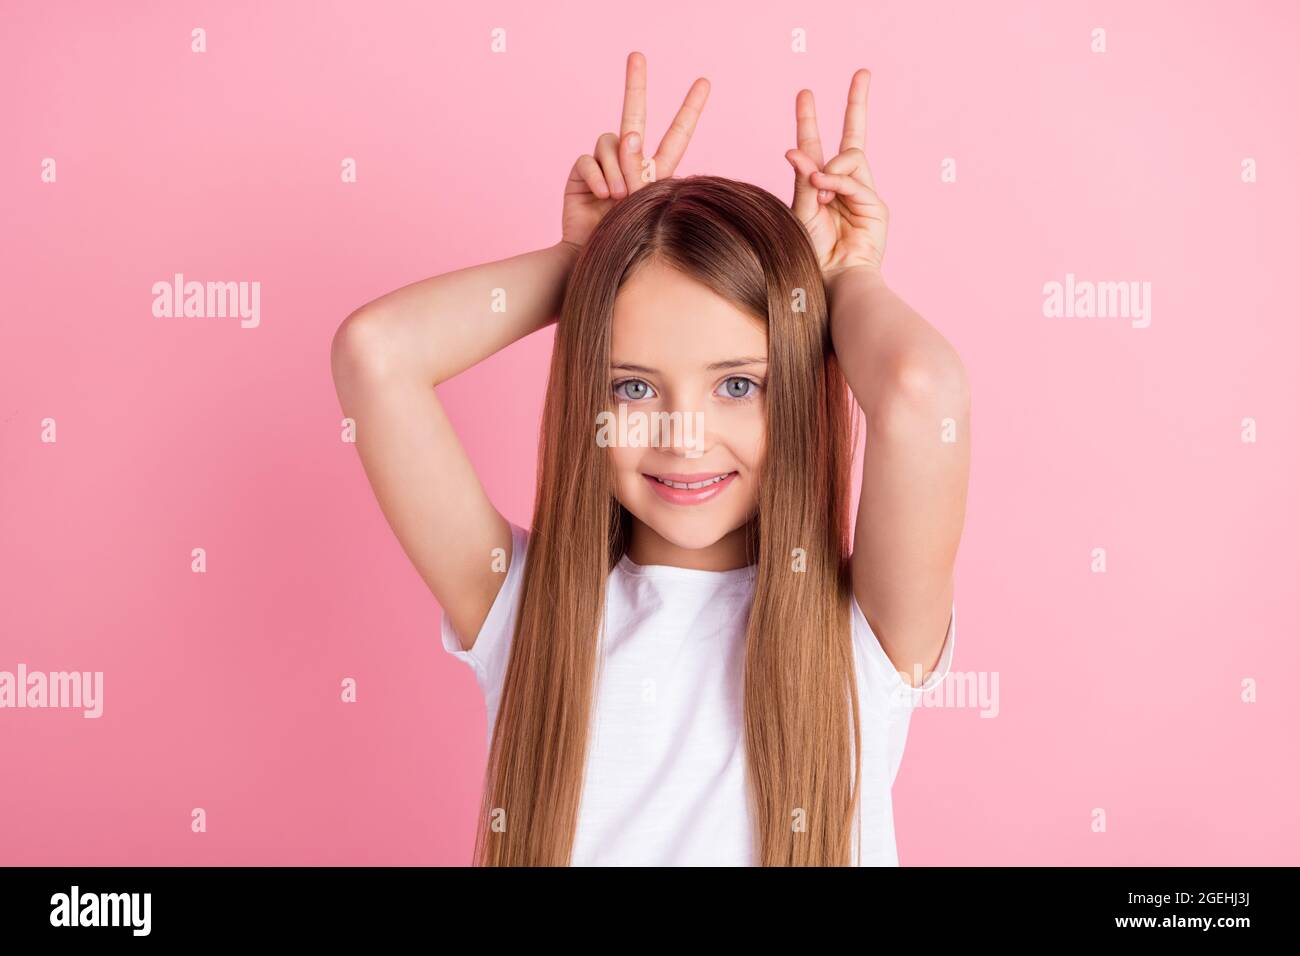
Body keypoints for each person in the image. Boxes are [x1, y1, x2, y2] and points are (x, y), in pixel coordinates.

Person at [331, 52, 970, 866]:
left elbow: (922, 393)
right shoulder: (526, 608)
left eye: (738, 384)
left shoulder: (863, 634)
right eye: (633, 389)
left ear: (801, 390)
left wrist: (840, 277)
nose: (681, 435)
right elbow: (375, 353)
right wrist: (585, 268)